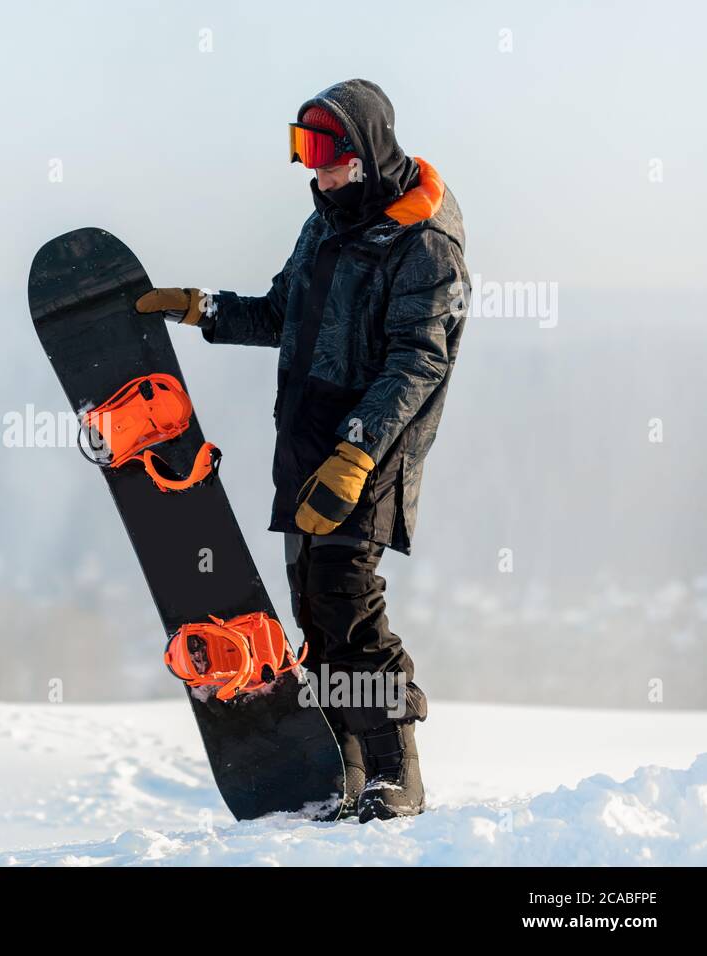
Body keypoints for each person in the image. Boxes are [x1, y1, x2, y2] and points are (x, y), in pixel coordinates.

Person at [135, 79, 468, 821]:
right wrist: (204, 310)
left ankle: (394, 768)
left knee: (347, 603)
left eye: (324, 154)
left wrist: (355, 456)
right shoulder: (326, 223)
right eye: (301, 149)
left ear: (368, 154)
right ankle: (342, 765)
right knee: (312, 610)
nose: (310, 169)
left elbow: (419, 360)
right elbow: (284, 313)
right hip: (307, 439)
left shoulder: (424, 242)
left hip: (368, 453)